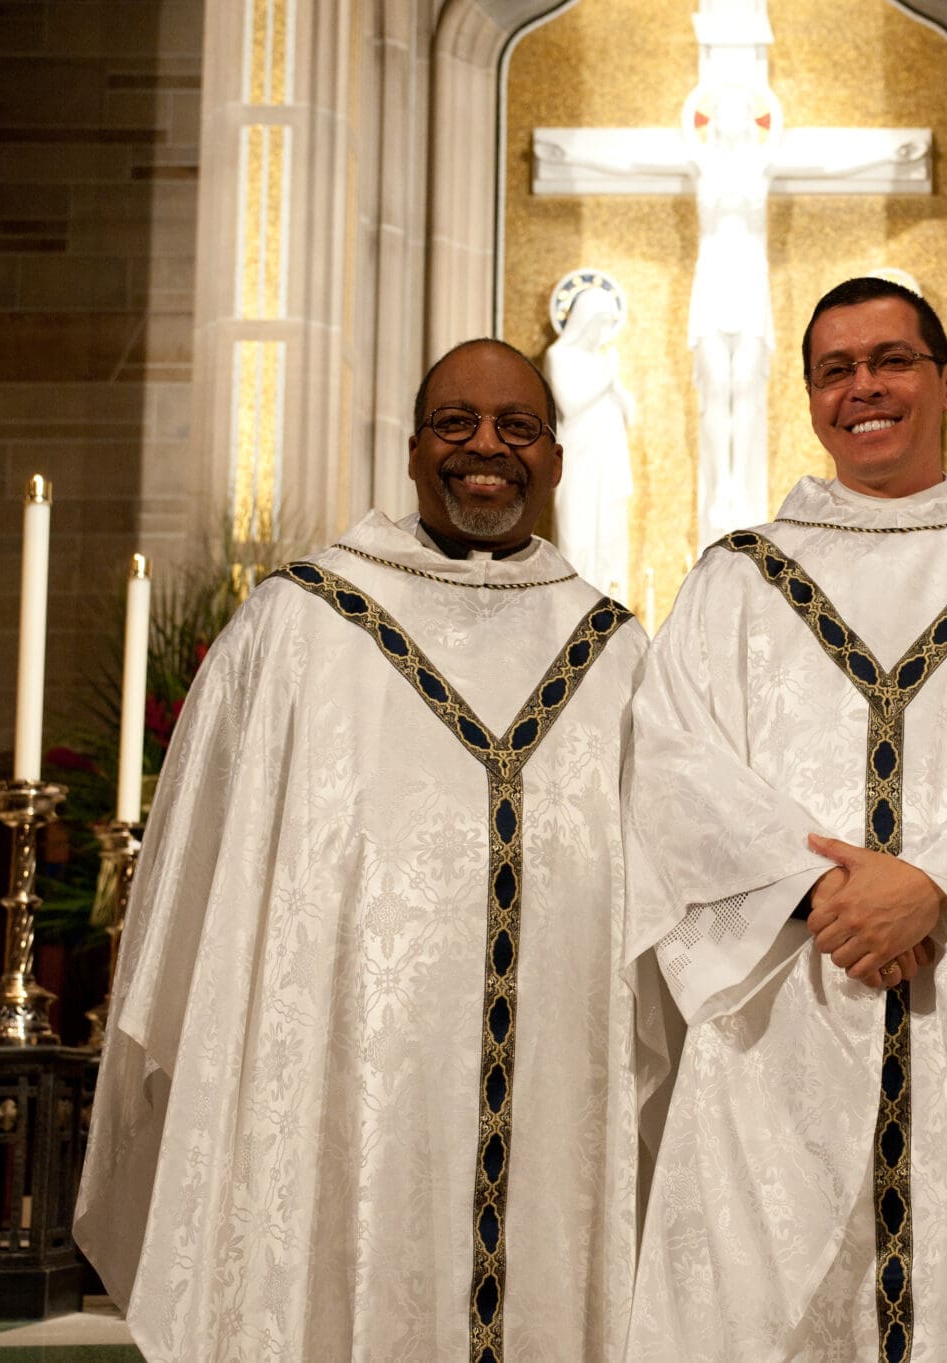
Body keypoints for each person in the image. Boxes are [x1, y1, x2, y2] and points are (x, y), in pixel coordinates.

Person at [76, 338, 651, 1363]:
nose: (486, 447)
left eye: (517, 427)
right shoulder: (297, 626)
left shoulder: (613, 650)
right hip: (344, 1082)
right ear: (412, 448)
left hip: (562, 1085)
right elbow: (209, 885)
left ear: (557, 459)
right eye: (456, 423)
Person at [623, 276, 947, 1362]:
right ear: (812, 401)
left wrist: (931, 886)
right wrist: (826, 891)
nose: (863, 387)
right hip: (784, 1026)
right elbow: (671, 759)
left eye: (891, 360)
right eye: (835, 370)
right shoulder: (735, 579)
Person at [546, 282, 638, 601]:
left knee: (610, 537)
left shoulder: (604, 361)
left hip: (607, 463)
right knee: (577, 537)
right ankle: (573, 607)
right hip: (579, 462)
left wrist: (614, 381)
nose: (604, 334)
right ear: (585, 321)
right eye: (600, 325)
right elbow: (570, 405)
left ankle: (611, 606)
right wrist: (607, 375)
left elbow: (630, 414)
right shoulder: (559, 356)